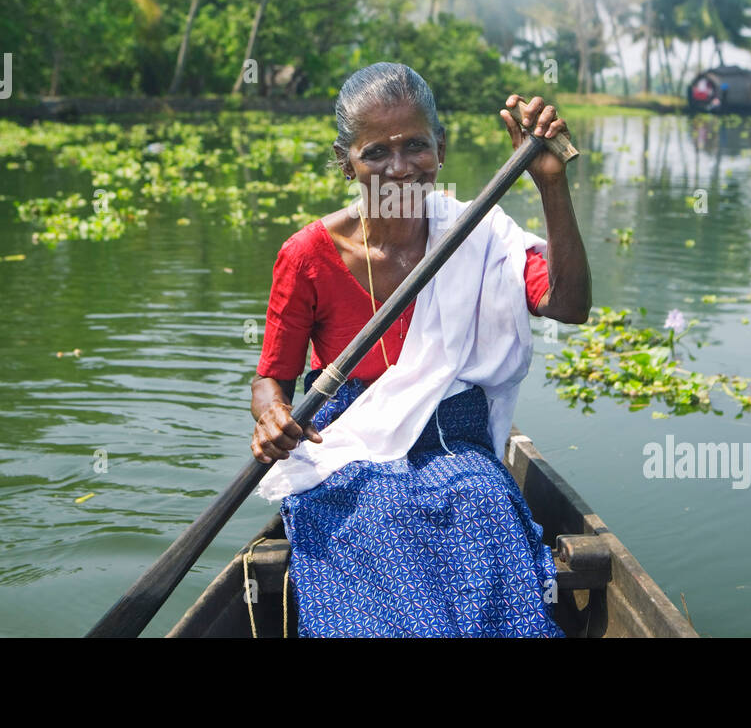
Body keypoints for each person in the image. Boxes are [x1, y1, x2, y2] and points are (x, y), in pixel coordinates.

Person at [249, 62, 591, 636]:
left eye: (415, 146)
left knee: (481, 507)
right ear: (346, 161)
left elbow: (569, 304)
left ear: (441, 148)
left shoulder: (478, 233)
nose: (399, 168)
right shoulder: (308, 254)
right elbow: (271, 380)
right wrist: (272, 416)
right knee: (377, 519)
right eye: (376, 152)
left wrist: (551, 183)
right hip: (345, 440)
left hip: (452, 437)